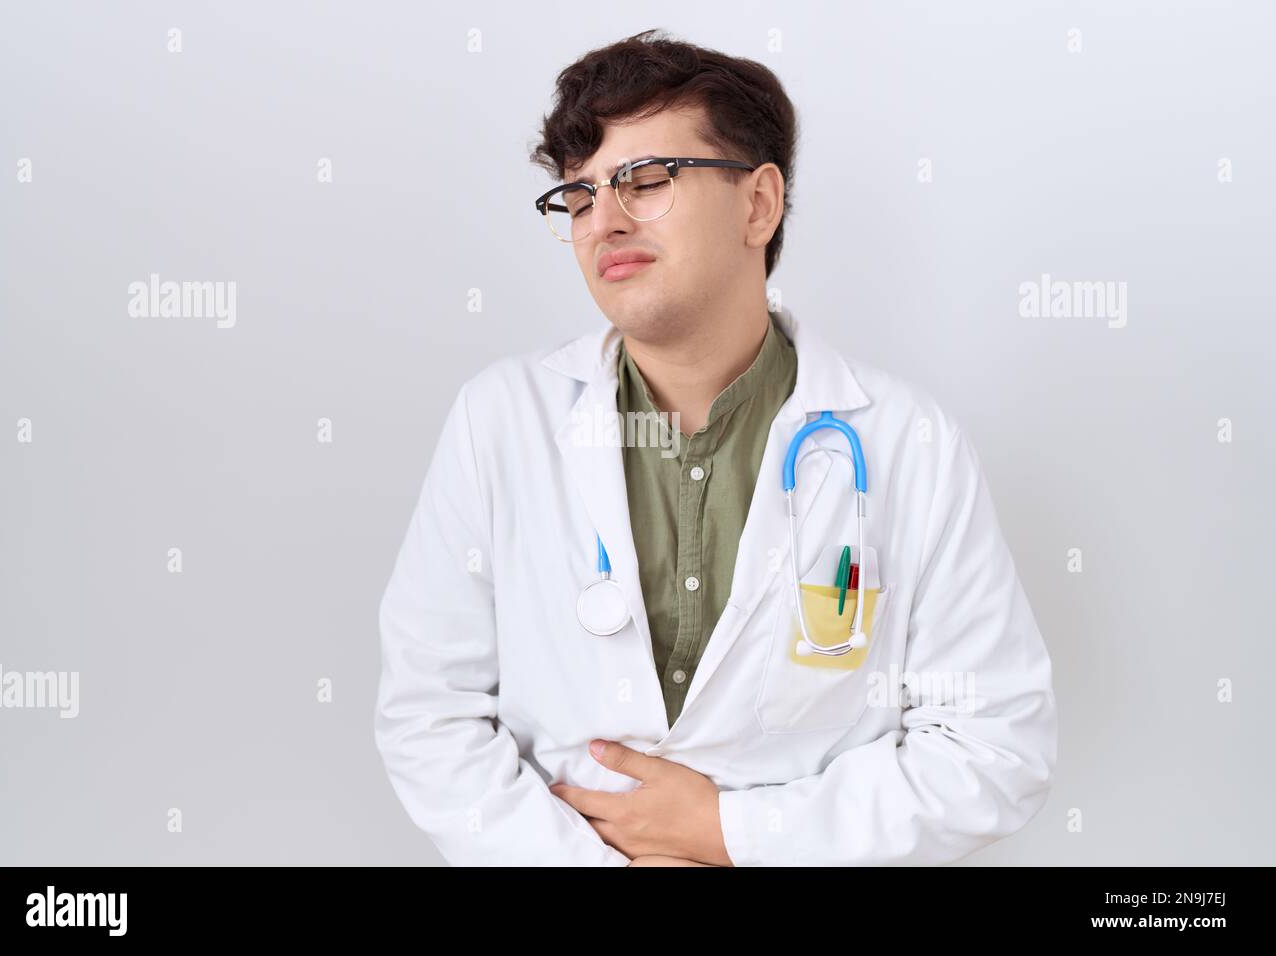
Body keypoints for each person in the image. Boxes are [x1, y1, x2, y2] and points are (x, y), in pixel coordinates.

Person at [374, 29, 1057, 866]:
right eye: (580, 197)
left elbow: (996, 748)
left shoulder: (910, 443)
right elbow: (429, 714)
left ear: (758, 205)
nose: (605, 220)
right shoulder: (499, 421)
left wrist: (736, 836)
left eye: (647, 180)